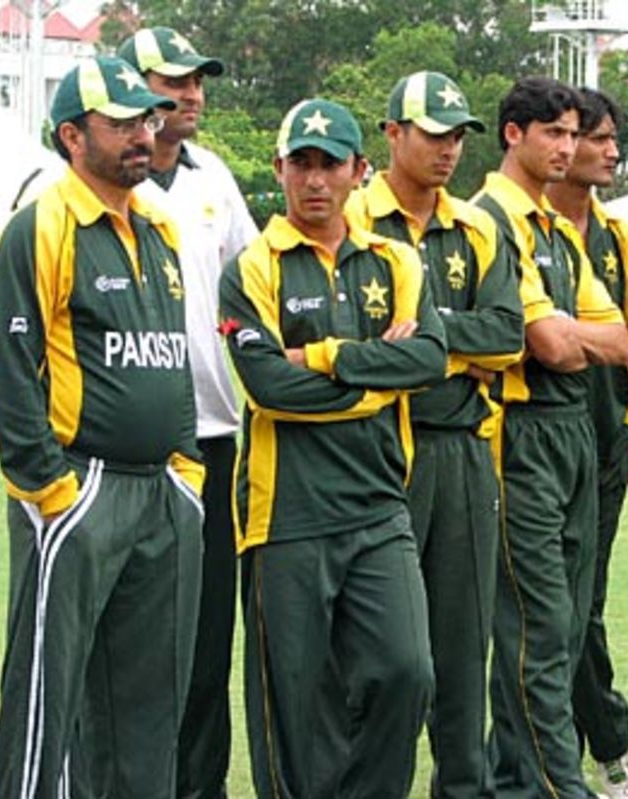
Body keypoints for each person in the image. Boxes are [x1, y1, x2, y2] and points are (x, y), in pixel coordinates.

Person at [0, 55, 205, 798]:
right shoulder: (40, 222)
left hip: (162, 494)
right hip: (83, 488)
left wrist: (186, 469)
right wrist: (50, 488)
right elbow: (8, 365)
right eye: (122, 124)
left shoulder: (161, 228)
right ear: (73, 136)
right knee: (48, 696)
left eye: (146, 120)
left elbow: (174, 360)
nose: (144, 135)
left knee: (149, 704)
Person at [219, 98, 445, 798]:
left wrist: (319, 355)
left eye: (330, 165)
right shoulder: (252, 265)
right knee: (294, 702)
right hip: (285, 514)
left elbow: (430, 359)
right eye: (301, 164)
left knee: (408, 671)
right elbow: (267, 386)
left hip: (380, 506)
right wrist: (375, 370)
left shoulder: (397, 261)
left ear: (358, 170)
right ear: (280, 169)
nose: (315, 180)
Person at [344, 70, 524, 799]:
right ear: (392, 134)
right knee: (377, 653)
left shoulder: (479, 225)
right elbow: (346, 337)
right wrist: (448, 352)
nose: (449, 149)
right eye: (433, 133)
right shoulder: (352, 218)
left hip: (459, 449)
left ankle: (463, 787)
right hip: (374, 449)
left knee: (461, 640)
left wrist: (427, 335)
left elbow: (509, 336)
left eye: (458, 135)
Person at [473, 76, 628, 799]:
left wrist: (576, 338)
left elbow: (619, 337)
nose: (568, 147)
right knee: (537, 624)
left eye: (576, 133)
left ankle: (521, 773)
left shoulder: (559, 230)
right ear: (514, 134)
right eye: (555, 133)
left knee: (564, 625)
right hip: (522, 430)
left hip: (574, 434)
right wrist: (573, 338)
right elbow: (545, 341)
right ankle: (549, 781)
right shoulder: (489, 221)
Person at [115, 27, 258, 799]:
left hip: (213, 437)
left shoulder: (215, 181)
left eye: (199, 79)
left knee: (208, 641)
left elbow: (253, 288)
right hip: (123, 445)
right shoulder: (101, 183)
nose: (192, 93)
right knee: (131, 636)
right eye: (173, 80)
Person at [544, 87, 628, 799]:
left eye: (615, 138)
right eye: (598, 137)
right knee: (541, 607)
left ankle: (601, 748)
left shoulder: (621, 241)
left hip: (604, 448)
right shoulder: (519, 228)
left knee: (581, 606)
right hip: (527, 447)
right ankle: (587, 743)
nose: (612, 150)